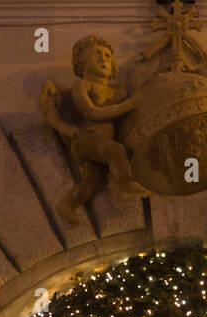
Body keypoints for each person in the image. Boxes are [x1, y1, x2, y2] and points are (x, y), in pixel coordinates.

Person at [39, 35, 141, 224]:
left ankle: (68, 204)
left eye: (108, 56)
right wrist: (127, 105)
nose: (103, 59)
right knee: (116, 151)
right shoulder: (82, 85)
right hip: (86, 139)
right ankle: (124, 183)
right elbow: (92, 112)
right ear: (81, 62)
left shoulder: (116, 89)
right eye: (96, 55)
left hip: (98, 146)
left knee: (94, 183)